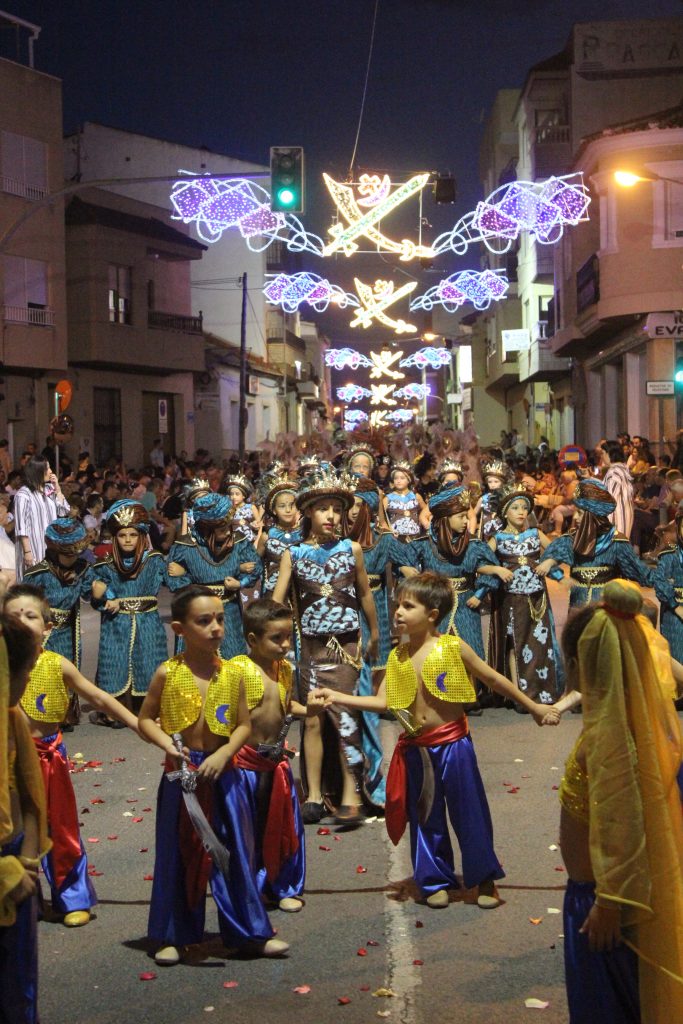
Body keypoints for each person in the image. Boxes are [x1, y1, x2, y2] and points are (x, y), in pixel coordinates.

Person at [314, 572, 557, 910]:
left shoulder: (452, 647)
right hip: (418, 750)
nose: (397, 612)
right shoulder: (397, 656)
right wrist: (337, 697)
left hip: (454, 746)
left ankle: (484, 879)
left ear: (432, 614)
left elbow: (493, 678)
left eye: (407, 606)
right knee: (426, 818)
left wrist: (533, 707)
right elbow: (384, 702)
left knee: (469, 813)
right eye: (398, 605)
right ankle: (434, 878)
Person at [138, 585, 288, 964]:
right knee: (176, 854)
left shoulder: (233, 673)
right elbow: (146, 719)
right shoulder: (167, 673)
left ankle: (250, 932)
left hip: (226, 776)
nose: (216, 628)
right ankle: (173, 934)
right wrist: (169, 747)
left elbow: (241, 726)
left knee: (236, 854)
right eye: (204, 621)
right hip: (182, 778)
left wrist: (224, 753)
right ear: (179, 629)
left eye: (220, 619)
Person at [556, 580, 683, 1023]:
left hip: (607, 907)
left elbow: (622, 818)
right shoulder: (629, 726)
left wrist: (608, 901)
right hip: (612, 897)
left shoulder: (609, 739)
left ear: (578, 665)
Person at [6, 583, 138, 930]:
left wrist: (138, 723)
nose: (21, 621)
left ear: (48, 627)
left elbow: (100, 698)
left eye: (30, 615)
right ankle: (21, 898)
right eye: (13, 615)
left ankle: (72, 896)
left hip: (49, 757)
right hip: (8, 760)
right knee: (14, 831)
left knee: (61, 829)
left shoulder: (56, 664)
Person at [273, 469, 380, 826]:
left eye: (337, 509)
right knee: (314, 722)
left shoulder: (352, 550)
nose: (332, 516)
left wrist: (376, 632)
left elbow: (364, 593)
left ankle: (352, 792)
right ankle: (315, 795)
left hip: (347, 649)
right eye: (324, 509)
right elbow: (278, 603)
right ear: (309, 514)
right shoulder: (293, 553)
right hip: (312, 652)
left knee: (347, 716)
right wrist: (275, 641)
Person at [229, 599, 321, 913]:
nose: (284, 645)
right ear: (253, 640)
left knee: (283, 828)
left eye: (287, 638)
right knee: (249, 831)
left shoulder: (285, 670)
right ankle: (252, 889)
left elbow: (287, 705)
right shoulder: (237, 670)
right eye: (276, 639)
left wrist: (310, 709)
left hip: (275, 764)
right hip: (244, 766)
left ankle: (283, 886)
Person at [0, 612, 49, 1024]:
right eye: (27, 670)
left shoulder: (13, 718)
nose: (30, 680)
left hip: (18, 870)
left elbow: (33, 799)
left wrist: (28, 861)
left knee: (17, 988)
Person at [485, 484, 564, 705]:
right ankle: (519, 694)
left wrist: (548, 561)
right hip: (511, 599)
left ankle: (541, 689)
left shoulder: (535, 534)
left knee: (539, 643)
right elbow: (479, 559)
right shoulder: (498, 538)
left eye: (524, 508)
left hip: (537, 598)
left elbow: (560, 550)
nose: (521, 512)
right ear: (504, 513)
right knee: (514, 643)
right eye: (515, 508)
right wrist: (496, 569)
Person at [91, 500, 168, 716]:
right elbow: (97, 596)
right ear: (115, 537)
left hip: (148, 622)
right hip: (117, 624)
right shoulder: (104, 564)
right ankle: (116, 711)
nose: (127, 540)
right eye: (122, 535)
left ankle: (149, 708)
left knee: (148, 660)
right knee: (116, 663)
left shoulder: (154, 561)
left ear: (142, 536)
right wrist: (103, 596)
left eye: (133, 535)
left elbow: (176, 583)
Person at [166, 492, 262, 659]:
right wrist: (189, 579)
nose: (227, 533)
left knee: (232, 657)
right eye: (222, 529)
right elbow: (171, 577)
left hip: (229, 612)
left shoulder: (237, 541)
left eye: (228, 527)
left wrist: (240, 583)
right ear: (206, 528)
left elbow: (255, 567)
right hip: (197, 611)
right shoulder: (186, 546)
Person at [538, 479, 651, 609]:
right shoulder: (571, 539)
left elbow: (641, 573)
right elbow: (546, 558)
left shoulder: (616, 542)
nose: (574, 518)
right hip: (577, 610)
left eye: (580, 513)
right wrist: (559, 575)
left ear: (593, 516)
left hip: (608, 610)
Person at [13, 456, 70, 580]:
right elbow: (21, 526)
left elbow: (63, 511)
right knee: (32, 584)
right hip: (33, 546)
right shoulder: (23, 494)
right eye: (47, 468)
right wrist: (27, 552)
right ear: (37, 471)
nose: (51, 471)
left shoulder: (49, 489)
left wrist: (58, 488)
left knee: (49, 583)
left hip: (50, 545)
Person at [257, 471, 301, 595]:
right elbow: (256, 562)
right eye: (282, 506)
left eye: (292, 505)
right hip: (274, 589)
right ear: (274, 510)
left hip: (299, 589)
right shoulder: (268, 535)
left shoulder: (305, 533)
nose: (288, 510)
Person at [384, 461, 430, 540]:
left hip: (415, 536)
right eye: (396, 478)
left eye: (402, 478)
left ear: (409, 480)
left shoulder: (416, 496)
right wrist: (388, 530)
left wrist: (427, 522)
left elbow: (427, 511)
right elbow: (381, 517)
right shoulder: (387, 498)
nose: (398, 481)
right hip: (395, 537)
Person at [599, 441, 634, 540]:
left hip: (616, 518)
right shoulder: (622, 469)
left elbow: (608, 498)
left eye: (602, 453)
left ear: (609, 453)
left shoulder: (614, 472)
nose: (601, 457)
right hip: (623, 515)